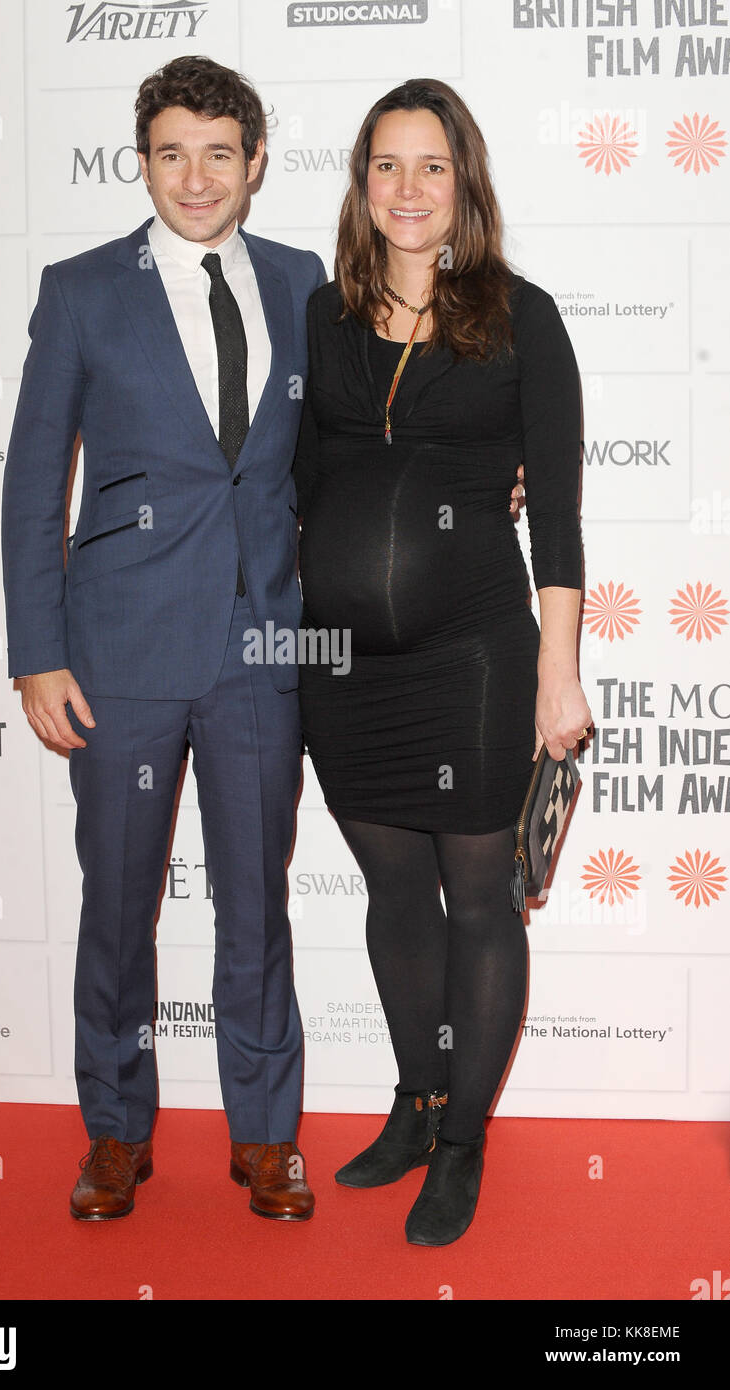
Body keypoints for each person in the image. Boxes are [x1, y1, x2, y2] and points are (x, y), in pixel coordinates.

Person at [1, 55, 328, 1223]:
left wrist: (472, 480)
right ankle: (115, 1131)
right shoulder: (84, 290)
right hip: (121, 655)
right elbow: (36, 481)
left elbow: (337, 452)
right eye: (172, 152)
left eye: (219, 152)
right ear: (142, 161)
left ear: (253, 163)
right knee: (118, 904)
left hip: (260, 653)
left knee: (256, 902)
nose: (196, 177)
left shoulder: (301, 282)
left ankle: (265, 1137)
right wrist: (37, 651)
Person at [294, 78, 592, 1246]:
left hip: (474, 660)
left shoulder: (521, 316)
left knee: (477, 901)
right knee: (390, 894)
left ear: (463, 181)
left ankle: (463, 1136)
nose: (408, 189)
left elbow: (557, 518)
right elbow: (299, 490)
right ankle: (417, 1099)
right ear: (360, 184)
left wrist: (557, 677)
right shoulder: (320, 319)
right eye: (385, 166)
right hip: (344, 671)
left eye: (431, 165)